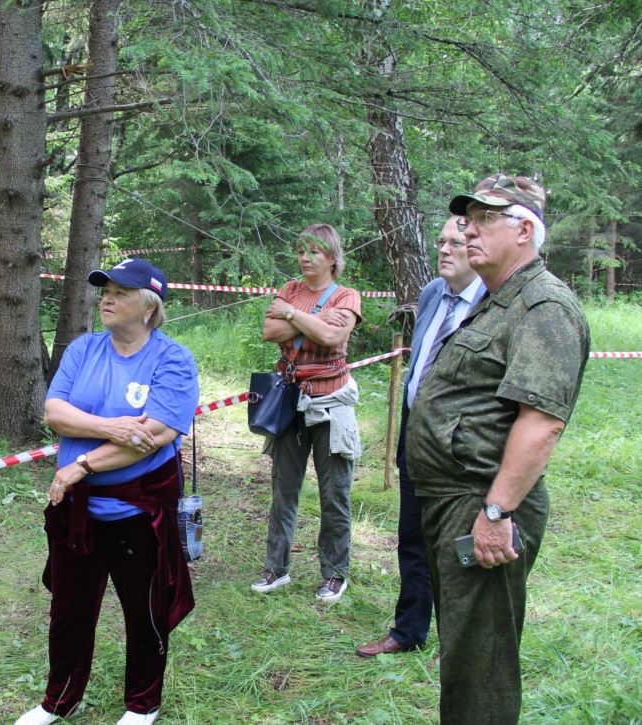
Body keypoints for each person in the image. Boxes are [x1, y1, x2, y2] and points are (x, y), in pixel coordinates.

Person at [407, 175, 589, 724]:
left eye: (486, 219)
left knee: (479, 663)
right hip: (454, 501)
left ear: (526, 229)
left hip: (483, 506)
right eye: (468, 219)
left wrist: (496, 512)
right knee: (463, 651)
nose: (468, 230)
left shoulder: (543, 306)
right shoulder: (495, 302)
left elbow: (541, 424)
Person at [16, 259, 200, 725]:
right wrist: (110, 427)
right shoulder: (83, 350)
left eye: (121, 291)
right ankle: (58, 701)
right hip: (77, 511)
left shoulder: (171, 359)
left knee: (145, 611)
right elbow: (55, 412)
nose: (107, 298)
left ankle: (142, 705)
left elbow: (154, 435)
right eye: (105, 290)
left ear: (149, 306)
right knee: (69, 611)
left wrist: (81, 463)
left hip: (139, 510)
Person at [356, 216, 485, 657]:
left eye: (457, 242)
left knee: (459, 544)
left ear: (479, 247)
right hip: (416, 441)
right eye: (441, 241)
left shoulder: (495, 301)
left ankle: (464, 639)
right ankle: (409, 631)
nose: (445, 250)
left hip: (461, 451)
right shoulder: (432, 293)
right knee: (413, 537)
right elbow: (419, 366)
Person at [252, 224, 362, 603]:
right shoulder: (289, 290)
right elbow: (268, 330)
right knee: (283, 489)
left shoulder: (347, 296)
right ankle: (276, 568)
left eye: (313, 252)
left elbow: (333, 338)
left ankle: (334, 574)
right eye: (300, 251)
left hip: (331, 404)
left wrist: (293, 318)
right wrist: (310, 322)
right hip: (289, 401)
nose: (304, 258)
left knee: (335, 493)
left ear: (332, 257)